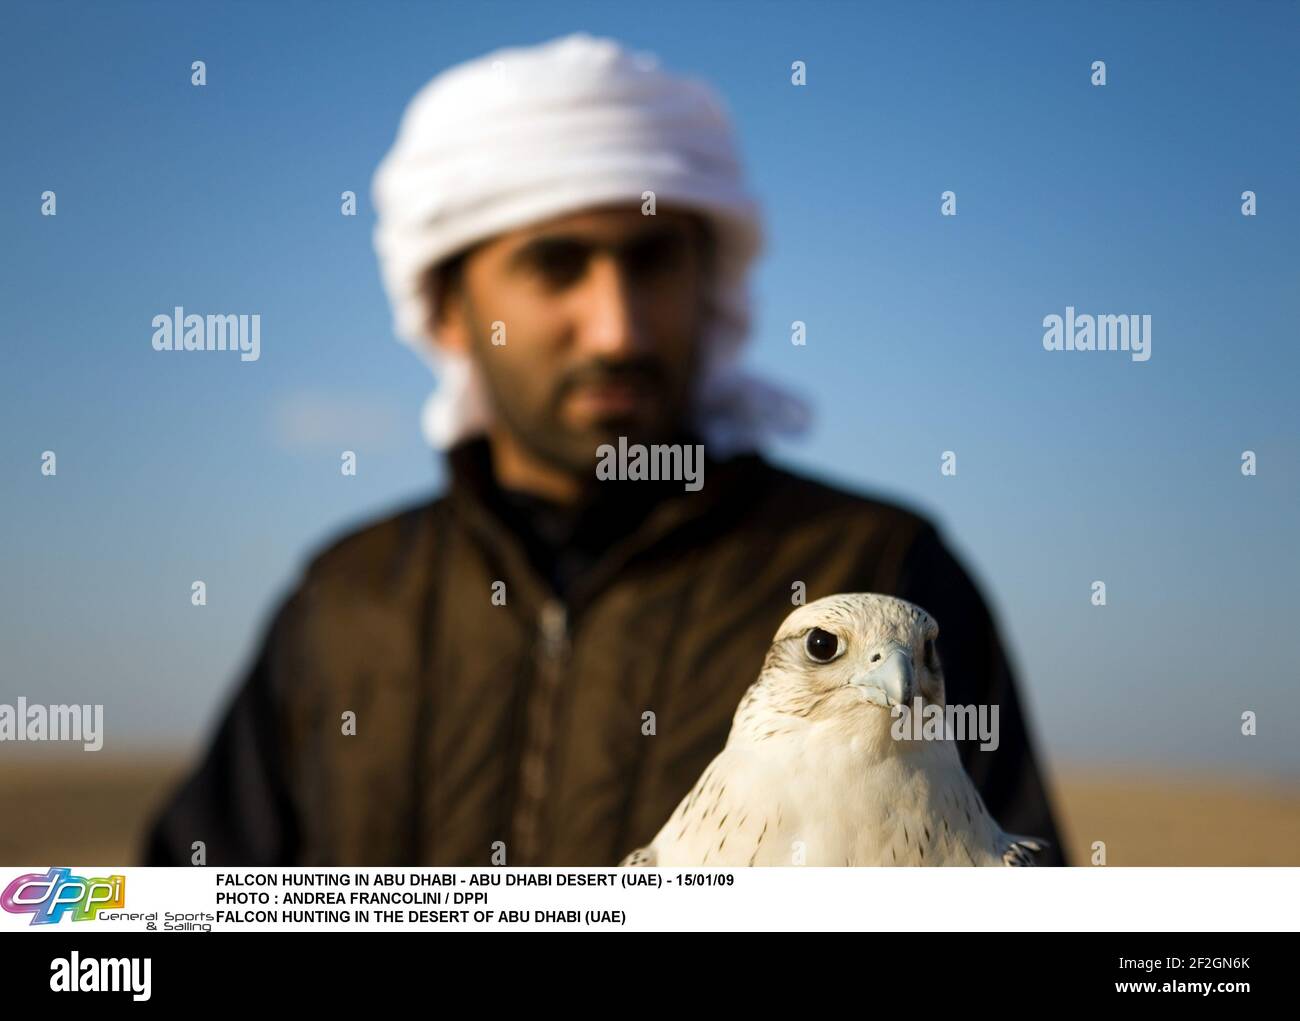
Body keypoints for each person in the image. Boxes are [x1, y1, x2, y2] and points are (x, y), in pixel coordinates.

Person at [144, 33, 1066, 867]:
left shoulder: (884, 564)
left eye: (653, 260)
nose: (617, 328)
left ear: (708, 283)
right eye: (556, 263)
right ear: (446, 307)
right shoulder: (346, 598)